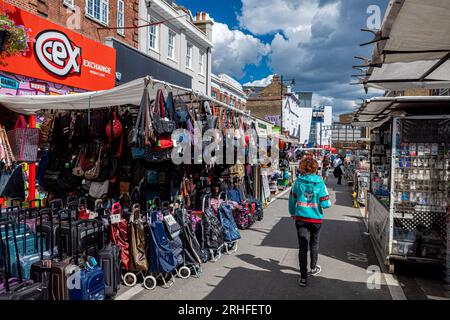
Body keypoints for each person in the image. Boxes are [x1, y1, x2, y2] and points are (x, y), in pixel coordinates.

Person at [288, 157, 331, 287]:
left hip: (300, 218)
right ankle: (313, 267)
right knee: (314, 242)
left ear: (301, 167)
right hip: (316, 218)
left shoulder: (297, 182)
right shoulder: (320, 183)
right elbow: (326, 203)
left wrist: (292, 212)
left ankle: (303, 277)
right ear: (315, 168)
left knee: (302, 247)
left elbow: (292, 200)